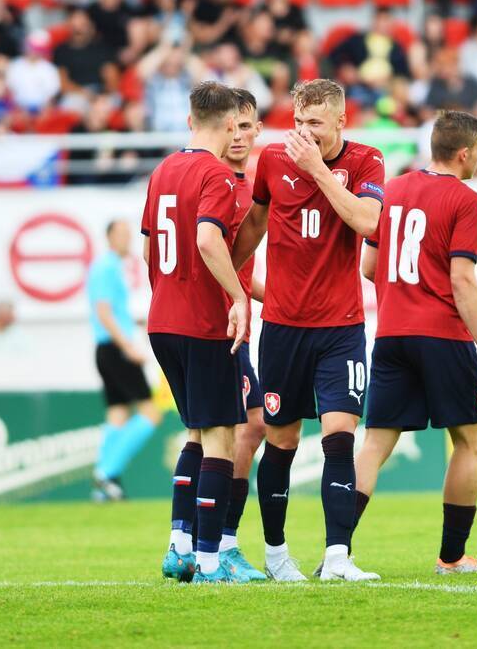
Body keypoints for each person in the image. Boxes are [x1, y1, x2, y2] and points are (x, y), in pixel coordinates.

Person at [232, 79, 385, 582]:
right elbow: (253, 227)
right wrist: (229, 286)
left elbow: (368, 222)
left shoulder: (366, 161)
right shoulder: (273, 161)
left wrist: (318, 171)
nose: (304, 133)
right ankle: (276, 557)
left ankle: (338, 557)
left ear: (341, 121)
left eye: (315, 123)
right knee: (281, 440)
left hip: (340, 328)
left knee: (339, 437)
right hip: (282, 328)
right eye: (298, 122)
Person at [354, 111, 477, 576]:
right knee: (470, 441)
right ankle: (451, 557)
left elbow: (369, 268)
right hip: (442, 335)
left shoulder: (390, 191)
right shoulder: (467, 201)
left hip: (391, 333)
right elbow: (462, 279)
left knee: (374, 444)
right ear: (464, 153)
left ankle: (337, 551)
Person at [143, 82, 250, 584]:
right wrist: (239, 296)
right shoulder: (217, 175)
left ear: (190, 121)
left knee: (194, 431)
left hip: (161, 320)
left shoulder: (163, 170)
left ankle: (178, 544)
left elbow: (148, 251)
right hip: (201, 323)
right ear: (231, 124)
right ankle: (209, 560)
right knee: (221, 438)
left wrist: (166, 291)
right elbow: (209, 239)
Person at [214, 88, 268, 582]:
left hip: (238, 324)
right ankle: (217, 543)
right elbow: (216, 257)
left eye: (249, 126)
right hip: (219, 325)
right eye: (234, 125)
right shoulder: (219, 183)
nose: (241, 134)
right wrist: (250, 299)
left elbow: (235, 264)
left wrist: (261, 298)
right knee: (241, 426)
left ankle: (195, 538)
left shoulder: (246, 184)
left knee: (243, 427)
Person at [87, 220, 161, 502]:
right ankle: (107, 471)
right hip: (116, 349)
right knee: (150, 413)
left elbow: (110, 312)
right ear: (108, 237)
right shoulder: (106, 268)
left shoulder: (105, 267)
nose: (126, 240)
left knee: (117, 414)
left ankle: (102, 487)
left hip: (105, 349)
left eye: (129, 235)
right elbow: (104, 312)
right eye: (121, 235)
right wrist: (127, 345)